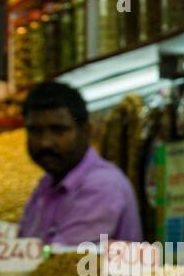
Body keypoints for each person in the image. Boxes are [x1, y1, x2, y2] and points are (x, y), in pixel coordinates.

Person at [18, 81, 142, 245]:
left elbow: (60, 263)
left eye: (59, 130)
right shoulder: (47, 184)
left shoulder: (102, 185)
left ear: (86, 131)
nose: (45, 142)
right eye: (35, 131)